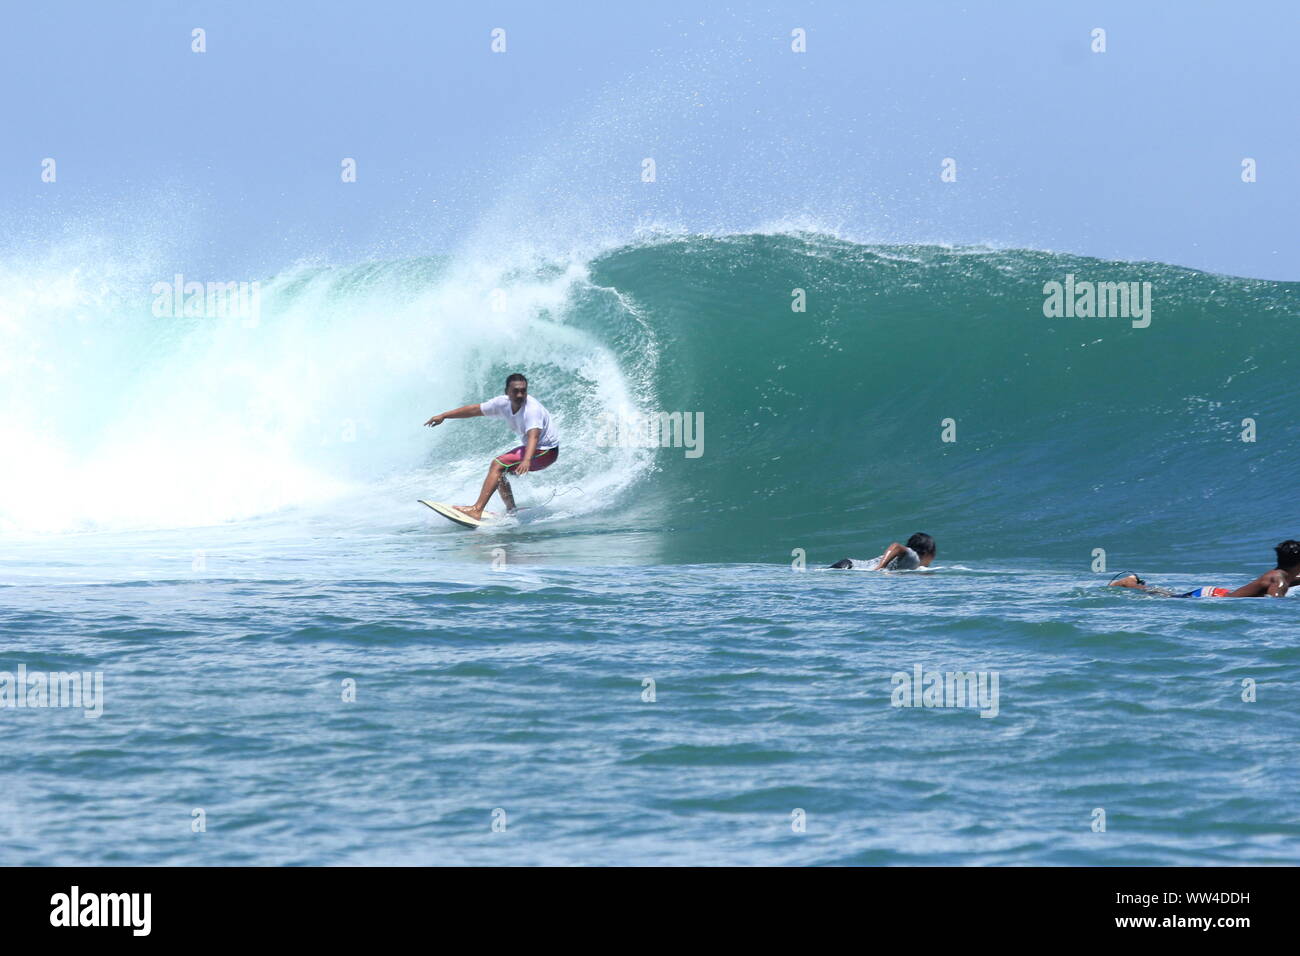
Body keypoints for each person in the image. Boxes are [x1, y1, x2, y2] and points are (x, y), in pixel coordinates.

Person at [423, 373, 560, 519]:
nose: (520, 394)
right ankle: (511, 510)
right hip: (534, 450)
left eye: (523, 390)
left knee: (498, 464)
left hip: (545, 452)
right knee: (500, 472)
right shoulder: (502, 403)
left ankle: (476, 510)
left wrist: (526, 460)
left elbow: (534, 436)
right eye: (515, 391)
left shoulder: (532, 410)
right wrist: (444, 416)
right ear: (506, 392)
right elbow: (474, 410)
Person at [1108, 539, 1300, 598]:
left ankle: (1132, 583)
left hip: (1218, 594)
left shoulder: (1280, 575)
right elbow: (1275, 604)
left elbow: (1293, 580)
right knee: (1166, 597)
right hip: (1213, 597)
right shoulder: (1279, 579)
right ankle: (1129, 583)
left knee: (1169, 595)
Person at [829, 533, 936, 571]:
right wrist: (881, 567)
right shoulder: (914, 557)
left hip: (847, 565)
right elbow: (896, 546)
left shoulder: (912, 563)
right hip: (849, 566)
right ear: (927, 553)